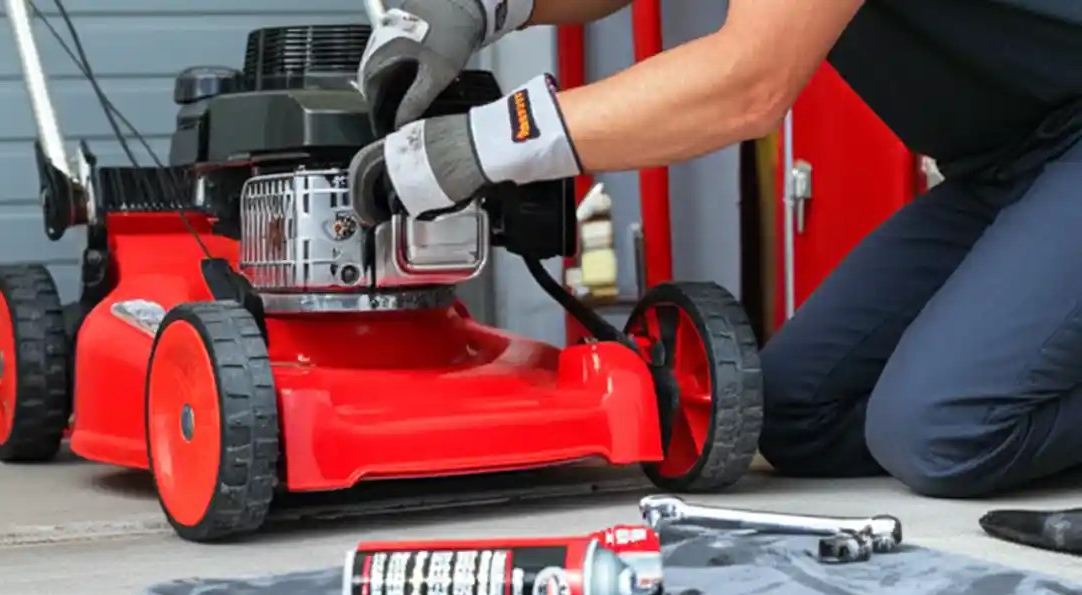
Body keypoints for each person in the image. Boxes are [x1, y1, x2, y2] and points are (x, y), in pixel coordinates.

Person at [350, 0, 1082, 499]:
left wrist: (485, 144)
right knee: (792, 415)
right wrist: (479, 6)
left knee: (943, 430)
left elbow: (749, 85)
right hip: (1006, 162)